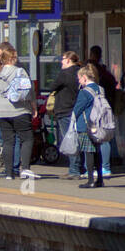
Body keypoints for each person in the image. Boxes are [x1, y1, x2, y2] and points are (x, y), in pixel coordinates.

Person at [0, 42, 37, 181]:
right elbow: (29, 91)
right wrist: (34, 107)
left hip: (2, 112)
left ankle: (9, 173)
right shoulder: (20, 72)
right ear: (13, 58)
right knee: (27, 139)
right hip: (20, 110)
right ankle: (25, 169)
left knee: (8, 142)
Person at [46, 51, 81, 179]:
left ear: (68, 60)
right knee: (76, 138)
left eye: (63, 59)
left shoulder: (65, 73)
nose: (61, 61)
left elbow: (52, 86)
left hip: (65, 109)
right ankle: (78, 167)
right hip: (77, 109)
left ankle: (74, 170)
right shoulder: (80, 72)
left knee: (70, 139)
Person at [70, 65, 105, 189]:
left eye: (79, 78)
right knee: (97, 152)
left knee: (89, 152)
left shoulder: (84, 92)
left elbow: (77, 109)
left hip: (86, 125)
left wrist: (72, 119)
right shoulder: (100, 89)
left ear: (84, 78)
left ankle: (90, 180)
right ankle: (100, 179)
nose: (78, 81)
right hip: (99, 125)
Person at [87, 46, 120, 175]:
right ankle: (112, 160)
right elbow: (113, 83)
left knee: (96, 137)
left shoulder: (92, 70)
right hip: (107, 106)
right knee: (107, 134)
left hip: (96, 109)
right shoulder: (105, 71)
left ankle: (100, 166)